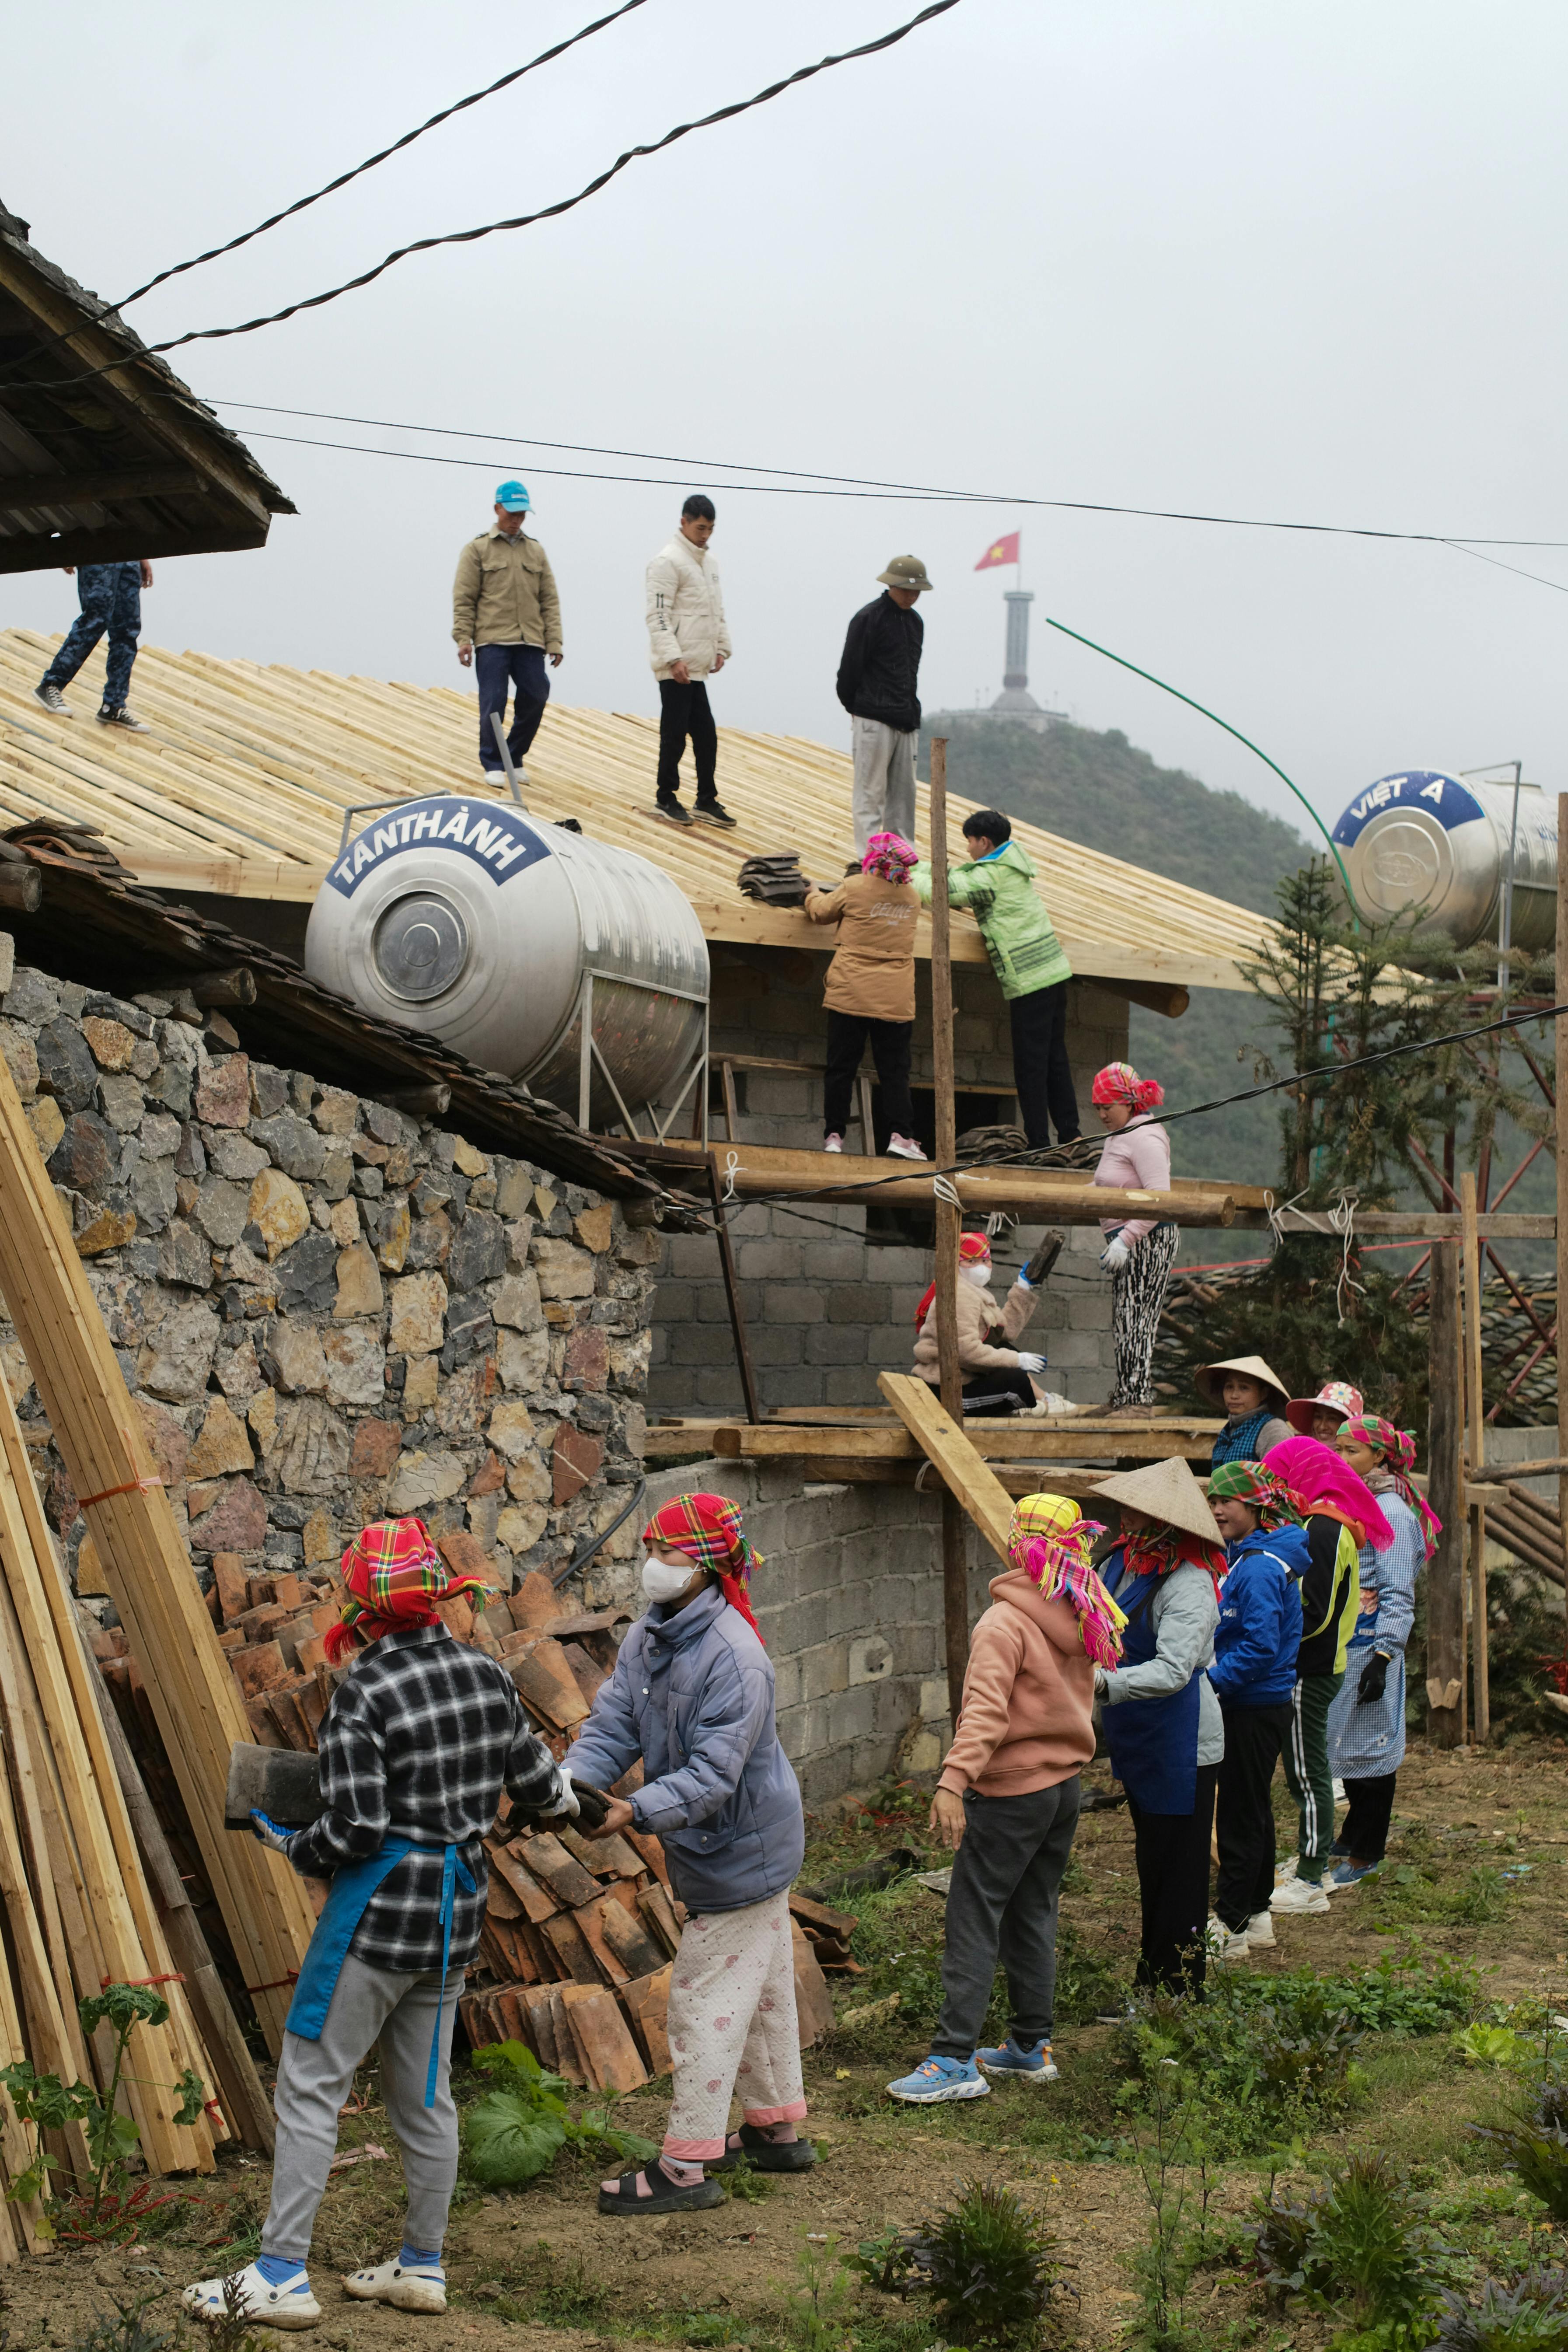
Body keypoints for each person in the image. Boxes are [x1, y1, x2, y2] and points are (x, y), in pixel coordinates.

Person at [182, 1519, 576, 2327]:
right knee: (426, 2095)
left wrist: (290, 1838)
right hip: (456, 1910)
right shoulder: (485, 1673)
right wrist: (571, 1799)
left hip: (379, 1907)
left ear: (361, 1604)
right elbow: (544, 1789)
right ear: (438, 1595)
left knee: (311, 2080)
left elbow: (355, 1830)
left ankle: (282, 2273)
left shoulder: (365, 1690)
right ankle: (422, 2266)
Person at [565, 1493, 811, 2214]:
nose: (653, 1564)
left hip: (743, 1849)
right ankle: (777, 2129)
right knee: (762, 1997)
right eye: (651, 1547)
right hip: (717, 1845)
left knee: (702, 2002)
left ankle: (685, 2165)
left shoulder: (737, 1659)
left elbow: (711, 1777)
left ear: (705, 1564)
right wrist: (575, 1783)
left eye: (669, 1552)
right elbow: (615, 1718)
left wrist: (632, 1810)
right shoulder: (651, 1634)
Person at [887, 1495, 1122, 2103]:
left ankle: (953, 2057)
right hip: (1063, 1787)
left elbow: (986, 1713)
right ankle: (1028, 2045)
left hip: (1012, 1789)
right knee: (1033, 1911)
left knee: (973, 1912)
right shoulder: (1082, 1610)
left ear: (1018, 1543)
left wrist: (953, 1781)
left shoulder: (1004, 1621)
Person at [1091, 1458, 1228, 1996]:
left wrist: (1100, 1684)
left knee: (1181, 1871)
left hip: (1184, 1740)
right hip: (1142, 1732)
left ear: (1163, 1519)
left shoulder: (1190, 1580)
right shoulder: (1123, 1562)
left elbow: (1174, 1670)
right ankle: (1152, 1979)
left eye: (1136, 1508)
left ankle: (1180, 1991)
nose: (1124, 1514)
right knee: (1153, 1862)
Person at [1261, 1435, 1391, 1918]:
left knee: (1307, 1770)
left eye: (1278, 1478)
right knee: (1307, 1767)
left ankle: (1312, 1878)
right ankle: (1310, 1860)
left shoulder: (1320, 1527)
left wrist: (1271, 1643)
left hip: (1308, 1667)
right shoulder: (1329, 1522)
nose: (1274, 1490)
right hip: (1320, 1664)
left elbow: (1312, 1611)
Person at [914, 810, 1080, 1152]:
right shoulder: (1009, 867)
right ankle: (1071, 1134)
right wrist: (924, 867)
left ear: (984, 842)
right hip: (1052, 973)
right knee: (1054, 1060)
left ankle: (1038, 1142)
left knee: (1030, 1067)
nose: (968, 849)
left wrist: (905, 875)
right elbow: (958, 875)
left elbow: (944, 891)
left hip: (1030, 980)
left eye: (970, 842)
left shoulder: (989, 877)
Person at [1326, 1415, 1439, 1887]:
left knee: (1372, 1751)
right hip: (1348, 1650)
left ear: (1381, 1457)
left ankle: (1368, 1850)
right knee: (1347, 1746)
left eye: (1353, 1450)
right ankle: (1351, 1835)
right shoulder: (1357, 1505)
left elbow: (1397, 1593)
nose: (1343, 1457)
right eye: (1339, 1448)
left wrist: (1385, 1655)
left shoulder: (1390, 1511)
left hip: (1373, 1650)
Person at [1205, 1464, 1308, 1961]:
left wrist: (1213, 1684)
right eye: (1214, 1500)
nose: (1219, 1509)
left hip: (1253, 1702)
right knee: (1253, 1807)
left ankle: (1231, 1925)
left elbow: (1262, 1644)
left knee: (1239, 1814)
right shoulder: (1243, 1558)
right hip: (1253, 1700)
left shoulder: (1262, 1565)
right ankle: (1258, 1913)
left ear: (1258, 1507)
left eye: (1230, 1501)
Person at [804, 830, 925, 1159]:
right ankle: (901, 1138)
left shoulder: (855, 886)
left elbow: (820, 913)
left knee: (841, 1067)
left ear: (873, 857)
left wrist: (811, 893)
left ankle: (833, 1136)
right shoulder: (912, 898)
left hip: (851, 992)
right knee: (894, 1071)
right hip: (894, 998)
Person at [452, 480, 563, 783]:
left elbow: (549, 600)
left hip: (530, 640)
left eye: (522, 514)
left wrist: (554, 641)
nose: (517, 520)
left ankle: (513, 756)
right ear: (497, 509)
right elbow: (464, 598)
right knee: (494, 701)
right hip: (492, 640)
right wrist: (463, 638)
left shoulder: (536, 551)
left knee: (537, 694)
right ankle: (492, 763)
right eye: (512, 513)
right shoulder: (477, 550)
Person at [645, 494, 736, 828]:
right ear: (683, 522)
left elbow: (717, 609)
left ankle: (706, 800)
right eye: (700, 527)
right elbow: (657, 615)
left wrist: (722, 647)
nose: (705, 535)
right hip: (676, 665)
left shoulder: (709, 562)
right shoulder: (666, 561)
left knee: (706, 735)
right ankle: (665, 797)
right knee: (675, 734)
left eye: (710, 528)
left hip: (698, 665)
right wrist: (673, 658)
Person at [1092, 1062, 1176, 1417]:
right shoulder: (1121, 1135)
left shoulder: (1145, 1136)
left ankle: (1137, 1400)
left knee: (1138, 1318)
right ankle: (1126, 1393)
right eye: (1096, 1107)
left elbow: (1160, 1197)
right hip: (1129, 1239)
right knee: (1125, 1318)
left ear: (1127, 1103)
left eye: (1106, 1107)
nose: (1101, 1115)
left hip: (1147, 1237)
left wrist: (1126, 1239)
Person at [835, 556, 932, 855]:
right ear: (890, 584)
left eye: (916, 591)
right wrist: (858, 707)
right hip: (872, 717)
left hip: (905, 717)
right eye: (906, 589)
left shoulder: (916, 622)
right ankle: (869, 859)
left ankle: (900, 858)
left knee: (903, 798)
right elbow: (849, 670)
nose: (911, 595)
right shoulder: (869, 617)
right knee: (869, 794)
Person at [912, 1229, 1049, 1415]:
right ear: (956, 1264)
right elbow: (964, 1351)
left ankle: (1041, 1400)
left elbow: (1003, 1331)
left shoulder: (974, 1292)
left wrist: (1023, 1289)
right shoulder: (959, 1294)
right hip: (947, 1391)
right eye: (971, 1261)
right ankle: (1036, 1406)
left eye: (985, 1261)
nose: (981, 1267)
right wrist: (1017, 1360)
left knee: (1006, 1350)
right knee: (1015, 1382)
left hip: (965, 1381)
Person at [33, 558, 154, 730]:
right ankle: (51, 685)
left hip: (129, 554)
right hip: (100, 549)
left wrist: (142, 557)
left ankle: (113, 706)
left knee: (127, 630)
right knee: (96, 619)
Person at [1194, 1356, 1293, 1467]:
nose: (1234, 1396)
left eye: (1244, 1388)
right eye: (1229, 1387)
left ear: (1263, 1394)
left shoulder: (1273, 1429)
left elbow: (1279, 1479)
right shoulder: (1228, 1431)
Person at [1285, 1380, 1365, 1442]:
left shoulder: (1355, 1462)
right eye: (1318, 1417)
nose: (1322, 1427)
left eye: (1332, 1419)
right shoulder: (1297, 1450)